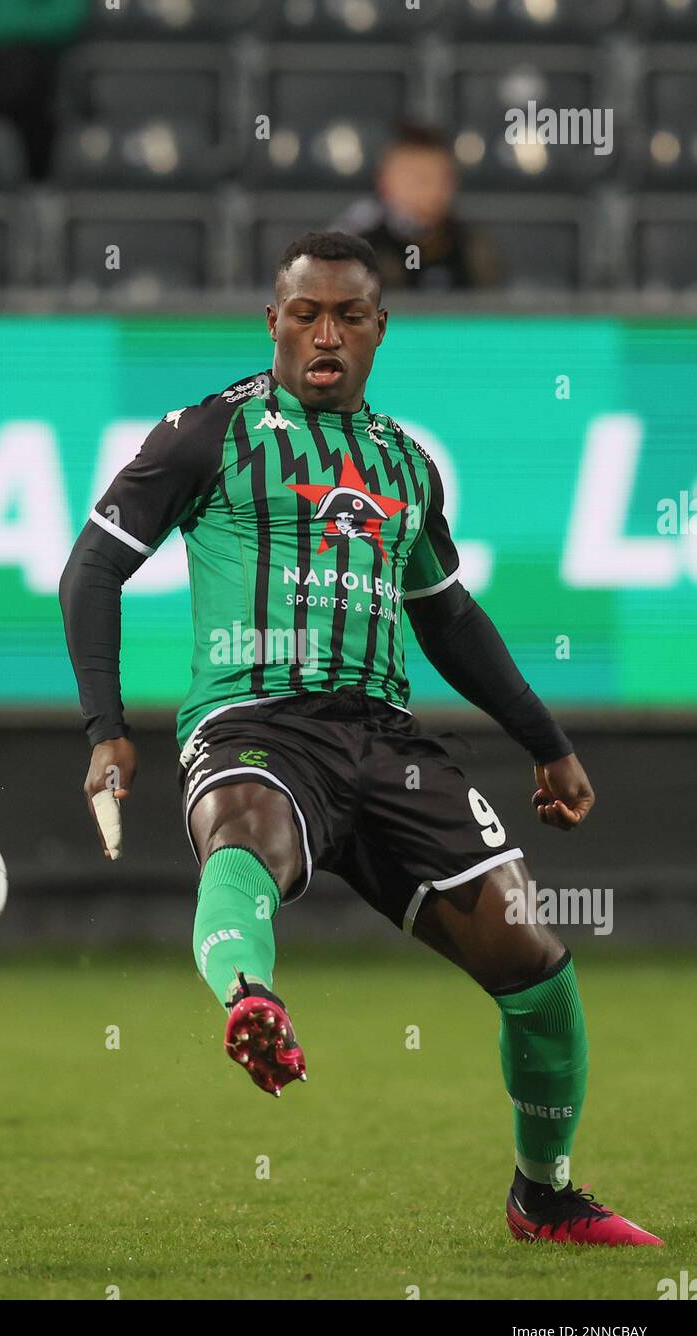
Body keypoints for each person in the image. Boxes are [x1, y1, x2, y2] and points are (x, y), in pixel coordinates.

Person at [59, 230, 660, 1247]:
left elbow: (448, 617)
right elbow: (91, 570)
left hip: (383, 740)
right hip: (250, 720)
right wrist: (104, 729)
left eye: (347, 314)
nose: (324, 332)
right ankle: (249, 996)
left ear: (379, 329)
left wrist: (544, 740)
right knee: (245, 832)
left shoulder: (404, 465)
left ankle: (542, 1194)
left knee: (537, 968)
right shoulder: (207, 435)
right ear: (273, 322)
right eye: (305, 313)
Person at [332, 123, 498, 290]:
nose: (432, 189)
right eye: (418, 178)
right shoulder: (359, 243)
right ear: (384, 182)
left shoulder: (471, 247)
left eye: (441, 177)